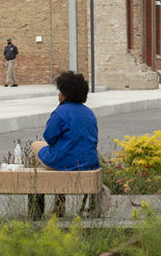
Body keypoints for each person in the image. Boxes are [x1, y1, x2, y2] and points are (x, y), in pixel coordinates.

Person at [31, 71, 110, 217]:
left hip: (65, 162)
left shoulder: (60, 112)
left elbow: (49, 138)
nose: (58, 95)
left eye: (60, 91)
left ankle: (50, 203)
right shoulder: (89, 113)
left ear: (65, 94)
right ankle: (60, 203)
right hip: (89, 163)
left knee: (36, 145)